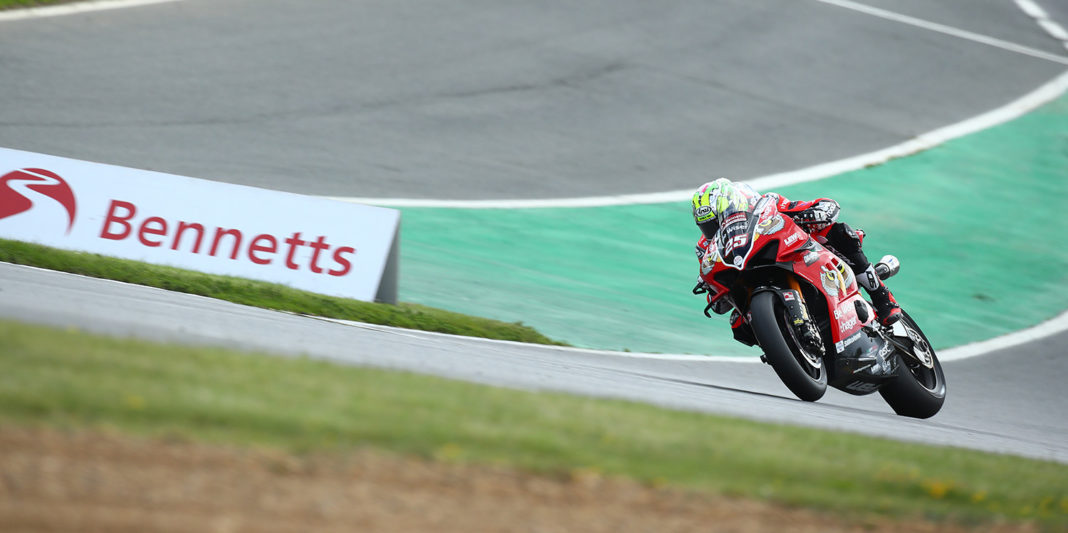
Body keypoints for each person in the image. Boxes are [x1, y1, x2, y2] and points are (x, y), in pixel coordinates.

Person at [691, 178, 902, 340]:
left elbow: (826, 206)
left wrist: (811, 214)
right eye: (706, 225)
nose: (713, 229)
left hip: (797, 256)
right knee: (739, 326)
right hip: (748, 280)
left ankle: (882, 296)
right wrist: (711, 288)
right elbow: (717, 301)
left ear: (733, 203)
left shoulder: (764, 204)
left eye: (716, 220)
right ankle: (786, 343)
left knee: (838, 233)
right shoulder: (705, 247)